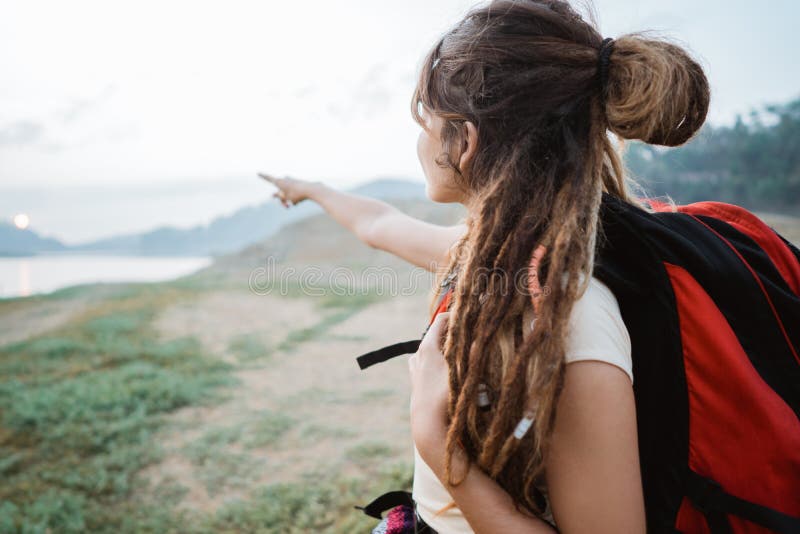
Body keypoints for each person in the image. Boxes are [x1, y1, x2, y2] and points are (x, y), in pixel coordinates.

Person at [259, 1, 712, 531]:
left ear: (466, 141)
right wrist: (310, 189)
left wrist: (439, 447)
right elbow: (379, 225)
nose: (420, 140)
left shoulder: (573, 317)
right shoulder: (493, 257)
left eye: (426, 122)